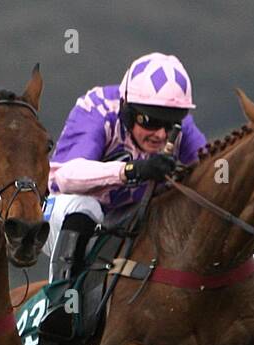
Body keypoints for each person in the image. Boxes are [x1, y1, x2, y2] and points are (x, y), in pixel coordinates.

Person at [43, 52, 208, 287]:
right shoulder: (97, 107)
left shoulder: (183, 129)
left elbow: (210, 179)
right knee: (84, 206)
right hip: (65, 216)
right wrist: (132, 170)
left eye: (170, 123)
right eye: (150, 121)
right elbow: (66, 177)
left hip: (129, 222)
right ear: (126, 110)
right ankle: (60, 298)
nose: (161, 134)